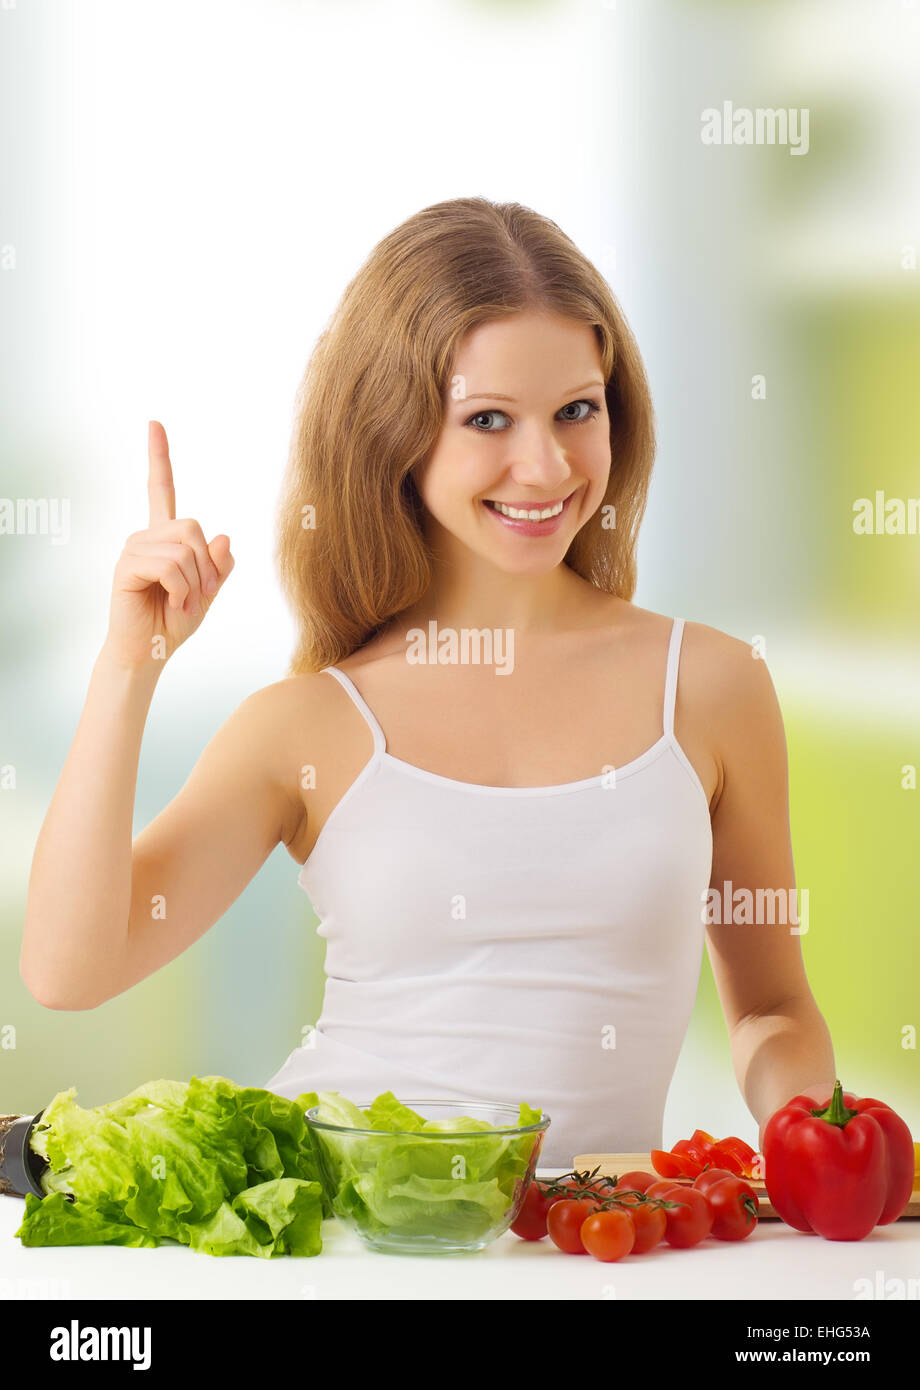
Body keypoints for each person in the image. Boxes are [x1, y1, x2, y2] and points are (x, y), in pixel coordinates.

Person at [21, 197, 835, 1168]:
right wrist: (128, 666)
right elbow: (70, 967)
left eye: (576, 410)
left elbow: (772, 1009)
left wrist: (816, 1134)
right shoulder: (306, 727)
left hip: (588, 1247)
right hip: (340, 1237)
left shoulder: (708, 685)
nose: (543, 466)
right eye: (486, 419)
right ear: (395, 434)